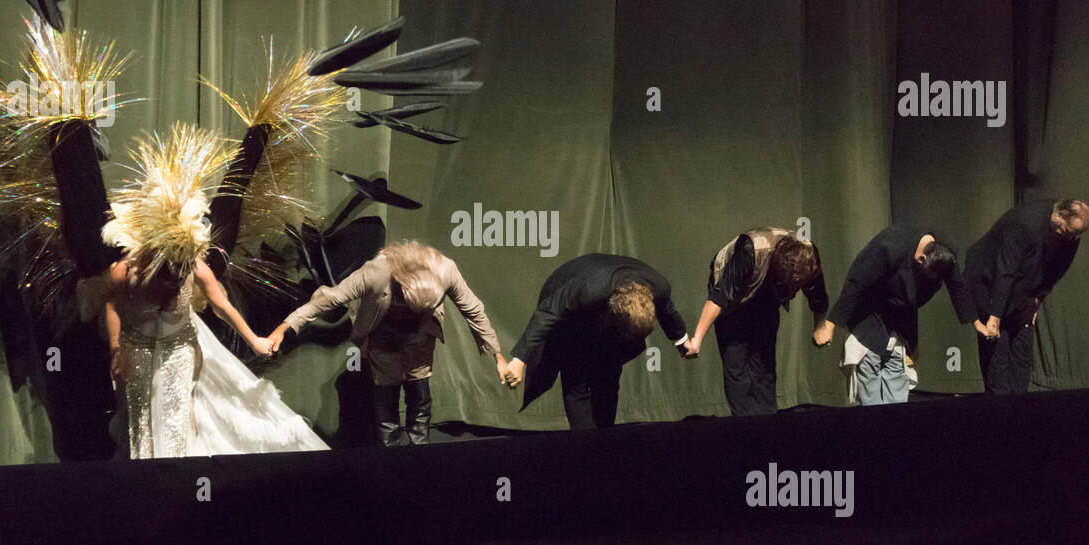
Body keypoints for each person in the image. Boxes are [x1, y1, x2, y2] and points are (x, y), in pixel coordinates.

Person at [100, 126, 329, 458]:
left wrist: (254, 340)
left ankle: (177, 480)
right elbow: (112, 306)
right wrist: (116, 348)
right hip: (138, 351)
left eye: (181, 272)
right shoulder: (127, 271)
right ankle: (143, 479)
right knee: (140, 419)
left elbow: (222, 306)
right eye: (169, 274)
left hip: (180, 350)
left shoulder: (194, 267)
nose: (176, 281)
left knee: (174, 417)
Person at [269, 241, 509, 446]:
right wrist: (285, 326)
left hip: (420, 341)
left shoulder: (446, 269)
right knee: (387, 403)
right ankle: (391, 455)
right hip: (383, 340)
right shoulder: (376, 272)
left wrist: (497, 354)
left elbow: (473, 310)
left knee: (420, 399)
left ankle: (420, 454)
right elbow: (329, 299)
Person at [504, 253, 689, 429]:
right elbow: (548, 313)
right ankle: (584, 442)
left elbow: (667, 311)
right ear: (611, 317)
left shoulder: (659, 287)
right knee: (577, 374)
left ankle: (604, 437)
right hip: (566, 300)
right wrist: (519, 360)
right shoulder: (588, 290)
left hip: (604, 301)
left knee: (609, 371)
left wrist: (682, 340)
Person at [819, 226, 977, 405]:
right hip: (869, 314)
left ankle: (896, 427)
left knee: (897, 368)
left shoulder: (944, 252)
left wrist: (977, 322)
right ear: (921, 259)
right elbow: (857, 284)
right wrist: (830, 325)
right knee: (869, 369)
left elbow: (957, 285)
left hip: (900, 321)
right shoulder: (889, 248)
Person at [684, 228, 831, 415]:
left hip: (767, 293)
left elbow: (817, 296)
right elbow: (718, 298)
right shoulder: (750, 251)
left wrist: (820, 325)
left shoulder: (809, 259)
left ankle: (767, 423)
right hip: (734, 295)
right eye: (791, 286)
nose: (794, 293)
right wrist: (697, 339)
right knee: (736, 361)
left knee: (763, 363)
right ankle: (744, 428)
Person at [963, 198, 1089, 393]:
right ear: (1058, 215)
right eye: (1067, 232)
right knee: (998, 347)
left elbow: (1058, 269)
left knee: (1022, 348)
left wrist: (1038, 298)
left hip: (1023, 285)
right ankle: (997, 409)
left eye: (1074, 235)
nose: (1070, 239)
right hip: (987, 281)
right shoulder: (1025, 222)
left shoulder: (1071, 235)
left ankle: (1019, 407)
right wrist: (995, 317)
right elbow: (1006, 269)